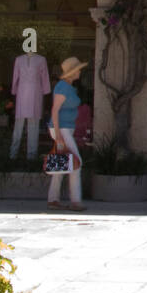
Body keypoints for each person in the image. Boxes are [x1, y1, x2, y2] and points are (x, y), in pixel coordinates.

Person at [47, 57, 88, 211]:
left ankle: (53, 199)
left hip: (66, 128)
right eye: (78, 69)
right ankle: (76, 201)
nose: (80, 72)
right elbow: (55, 110)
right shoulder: (62, 87)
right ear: (72, 72)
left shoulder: (69, 87)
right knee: (76, 163)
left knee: (62, 162)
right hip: (61, 129)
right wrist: (58, 135)